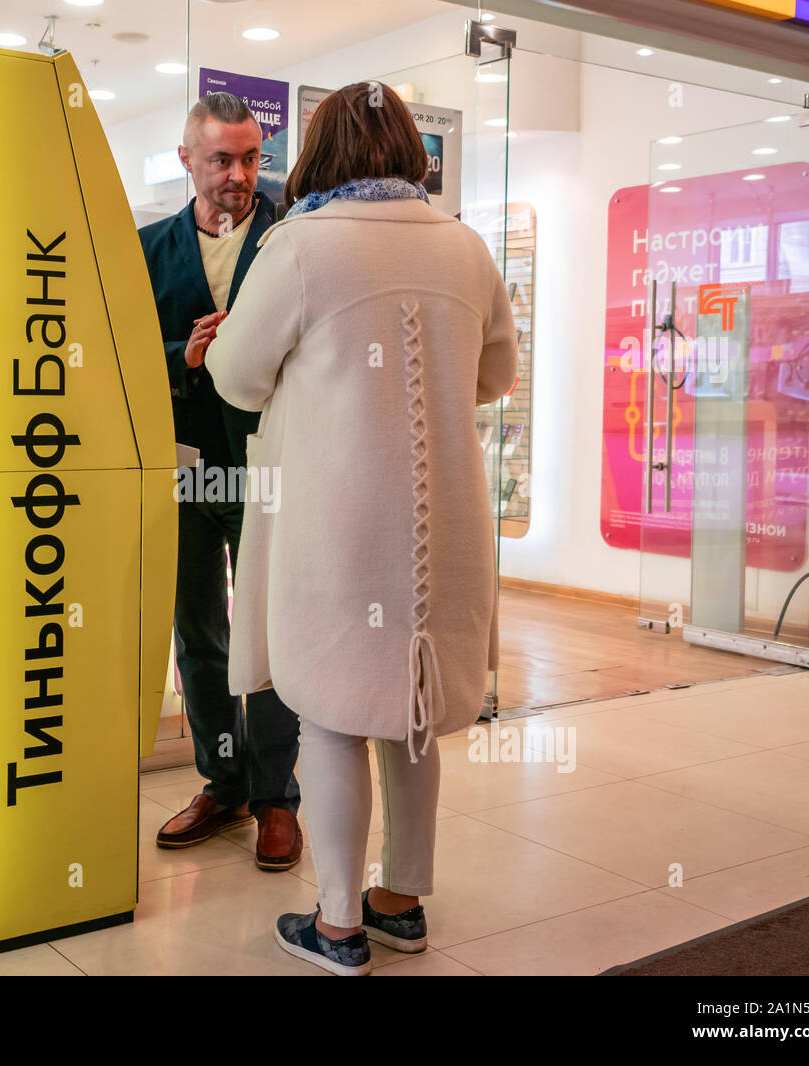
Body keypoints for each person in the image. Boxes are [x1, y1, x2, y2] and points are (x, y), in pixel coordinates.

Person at [205, 81, 518, 974]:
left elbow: (234, 375)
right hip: (445, 525)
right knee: (410, 717)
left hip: (335, 522)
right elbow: (498, 371)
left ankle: (338, 924)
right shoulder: (465, 246)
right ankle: (400, 902)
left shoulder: (301, 245)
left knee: (332, 717)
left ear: (322, 148)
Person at [138, 92, 303, 870]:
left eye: (250, 158)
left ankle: (278, 799)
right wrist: (184, 357)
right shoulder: (145, 248)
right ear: (186, 161)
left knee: (268, 638)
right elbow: (120, 355)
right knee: (199, 635)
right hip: (183, 472)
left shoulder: (293, 242)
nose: (240, 175)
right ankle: (222, 780)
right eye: (221, 160)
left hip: (268, 468)